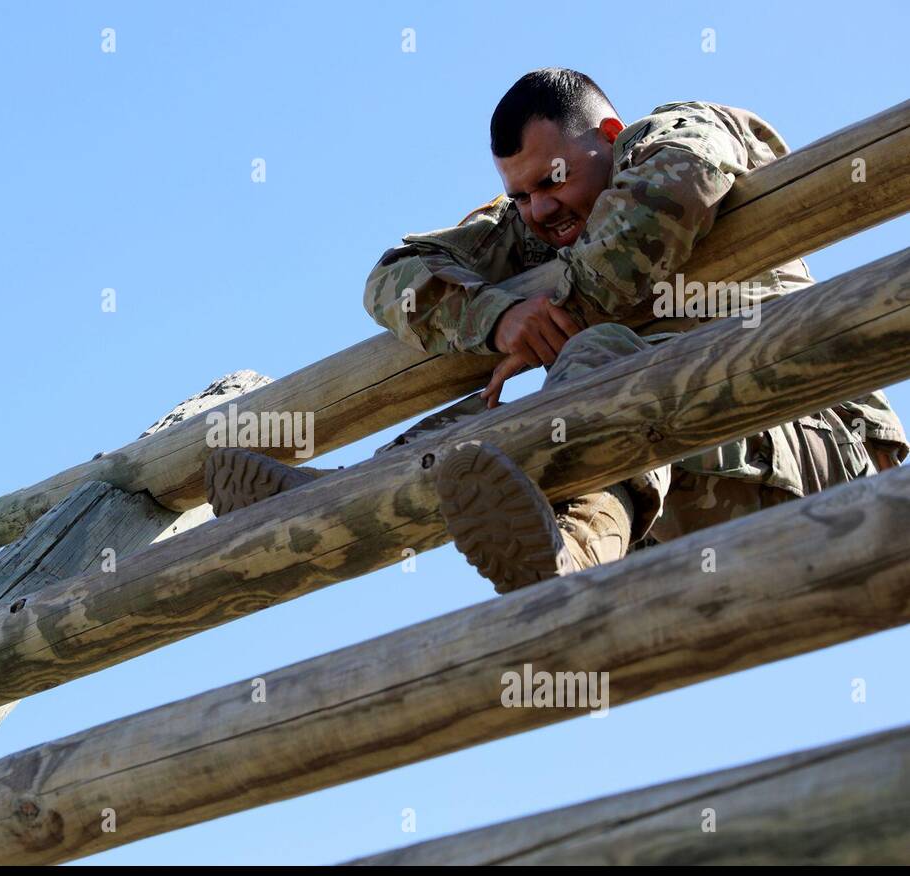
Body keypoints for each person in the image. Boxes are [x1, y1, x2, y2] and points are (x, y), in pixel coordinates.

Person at [205, 68, 908, 594]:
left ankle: (569, 562)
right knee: (488, 437)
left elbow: (678, 184)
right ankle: (331, 506)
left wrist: (561, 310)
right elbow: (394, 276)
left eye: (553, 179)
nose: (537, 210)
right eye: (519, 194)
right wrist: (500, 318)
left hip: (820, 456)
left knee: (595, 356)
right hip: (684, 472)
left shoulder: (683, 131)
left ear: (609, 138)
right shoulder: (539, 218)